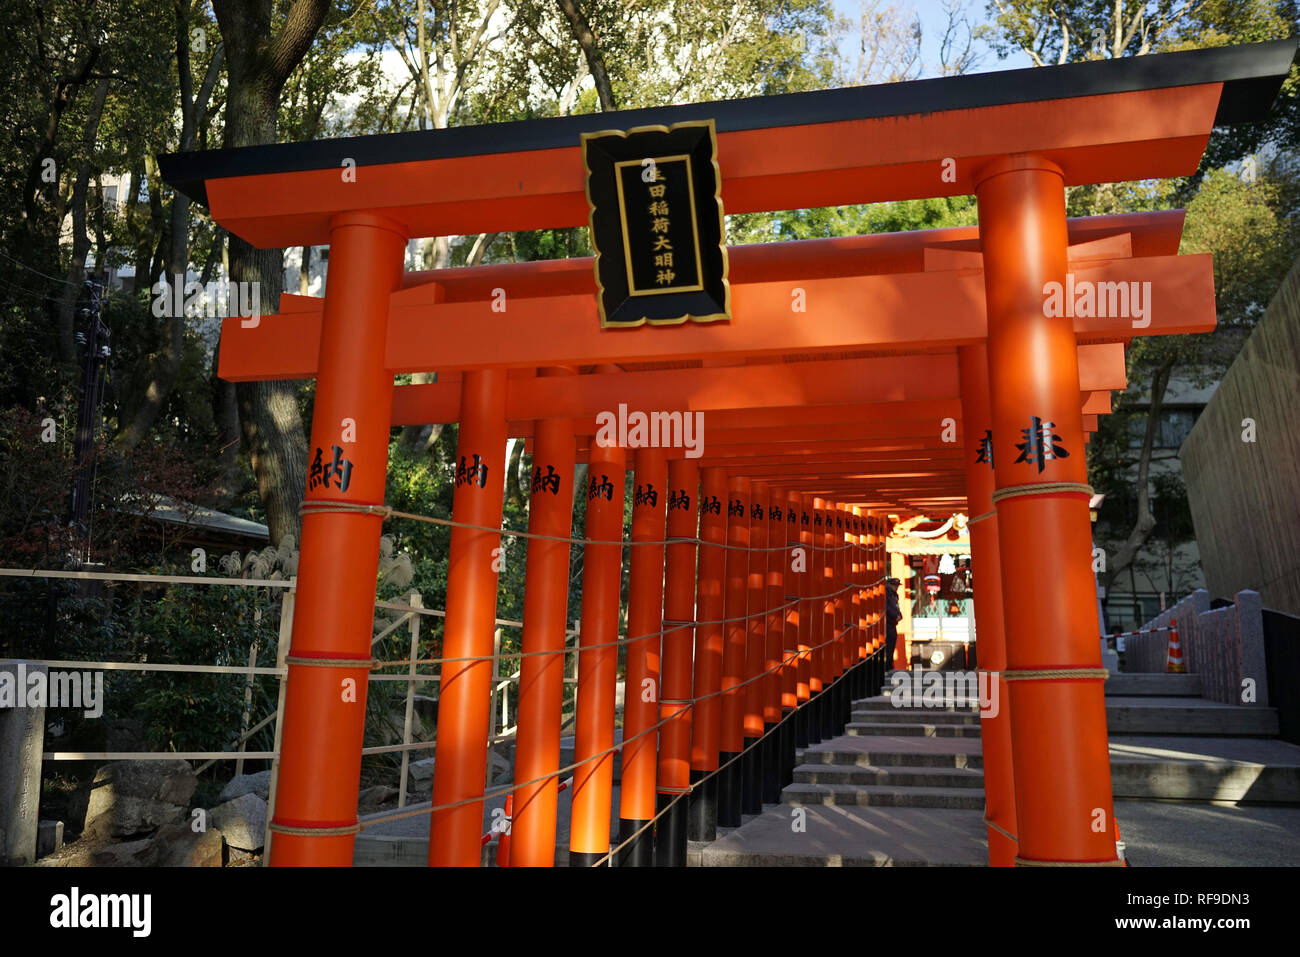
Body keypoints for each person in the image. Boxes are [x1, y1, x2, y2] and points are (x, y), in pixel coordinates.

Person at [885, 578, 903, 677]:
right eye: (895, 585)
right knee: (889, 645)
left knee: (892, 644)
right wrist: (895, 615)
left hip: (892, 623)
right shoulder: (887, 594)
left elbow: (896, 606)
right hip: (888, 622)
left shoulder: (894, 595)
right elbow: (887, 607)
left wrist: (899, 615)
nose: (896, 587)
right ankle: (887, 665)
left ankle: (889, 664)